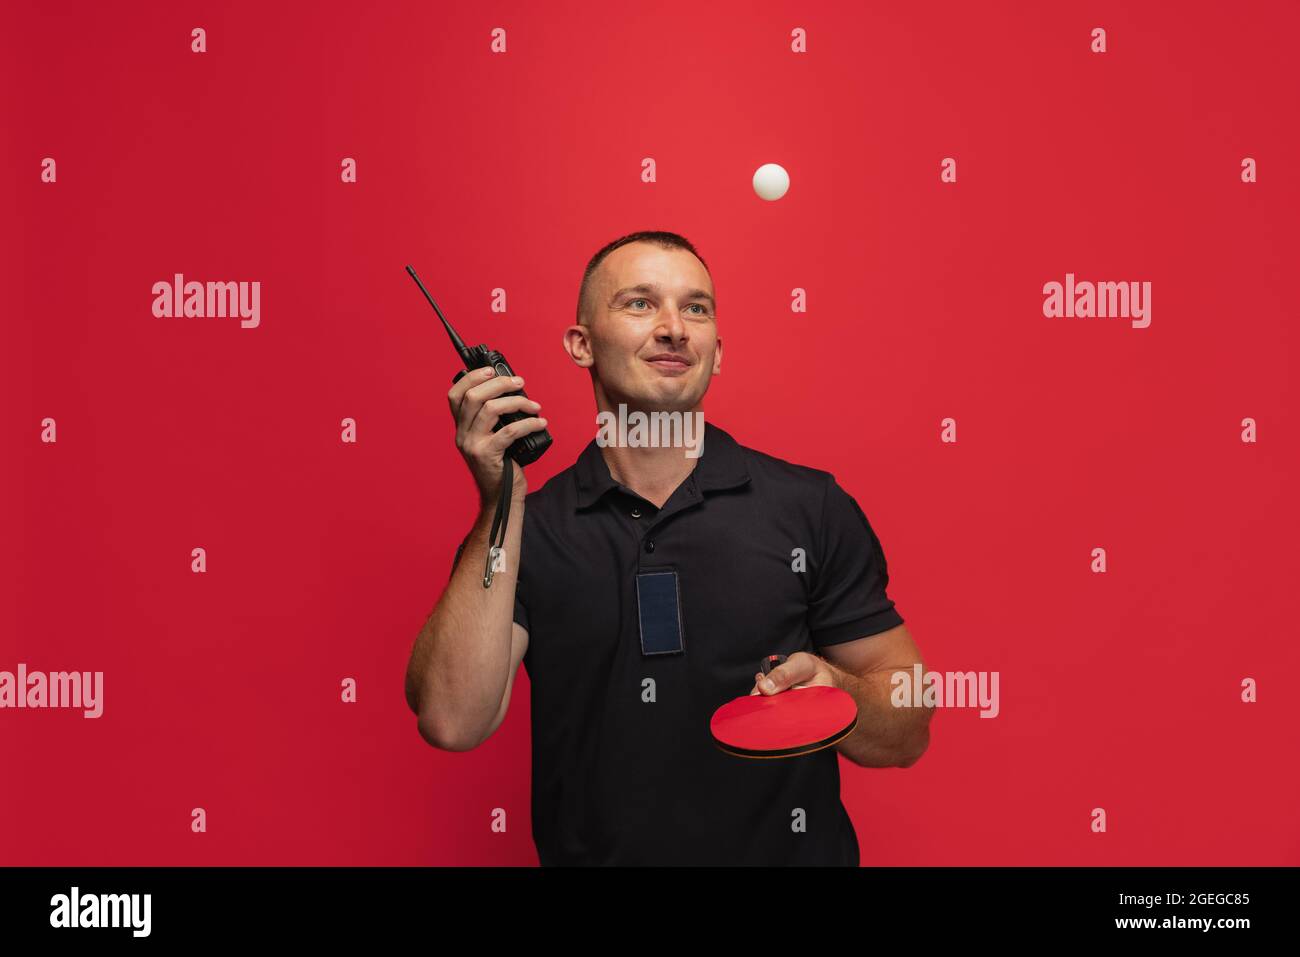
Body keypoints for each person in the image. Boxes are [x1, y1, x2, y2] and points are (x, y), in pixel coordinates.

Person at [404, 230, 932, 865]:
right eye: (639, 303)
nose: (674, 328)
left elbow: (908, 728)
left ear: (718, 351)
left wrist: (839, 690)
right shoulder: (529, 529)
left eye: (696, 309)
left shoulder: (809, 507)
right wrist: (500, 503)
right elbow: (452, 721)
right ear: (581, 345)